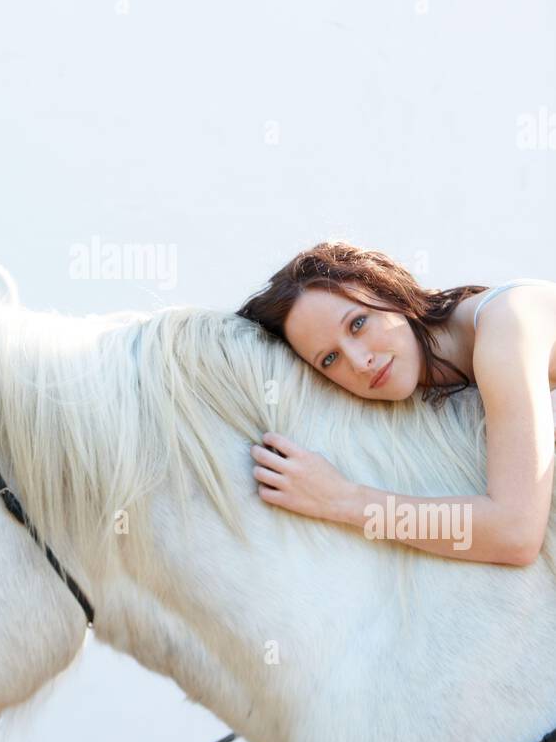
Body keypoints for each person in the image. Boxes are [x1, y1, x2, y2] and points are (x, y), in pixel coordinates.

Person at [237, 239, 556, 566]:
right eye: (330, 358)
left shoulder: (504, 329)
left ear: (388, 291)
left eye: (358, 324)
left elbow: (516, 533)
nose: (360, 362)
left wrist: (343, 500)